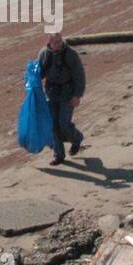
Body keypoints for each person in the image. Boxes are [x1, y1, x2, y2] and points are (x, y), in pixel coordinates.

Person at [38, 32, 85, 166]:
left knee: (64, 124)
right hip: (51, 93)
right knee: (53, 125)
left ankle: (77, 139)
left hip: (68, 93)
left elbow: (79, 75)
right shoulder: (44, 54)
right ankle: (59, 155)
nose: (59, 44)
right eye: (56, 42)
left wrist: (77, 95)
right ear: (49, 42)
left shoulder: (71, 54)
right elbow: (39, 73)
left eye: (60, 41)